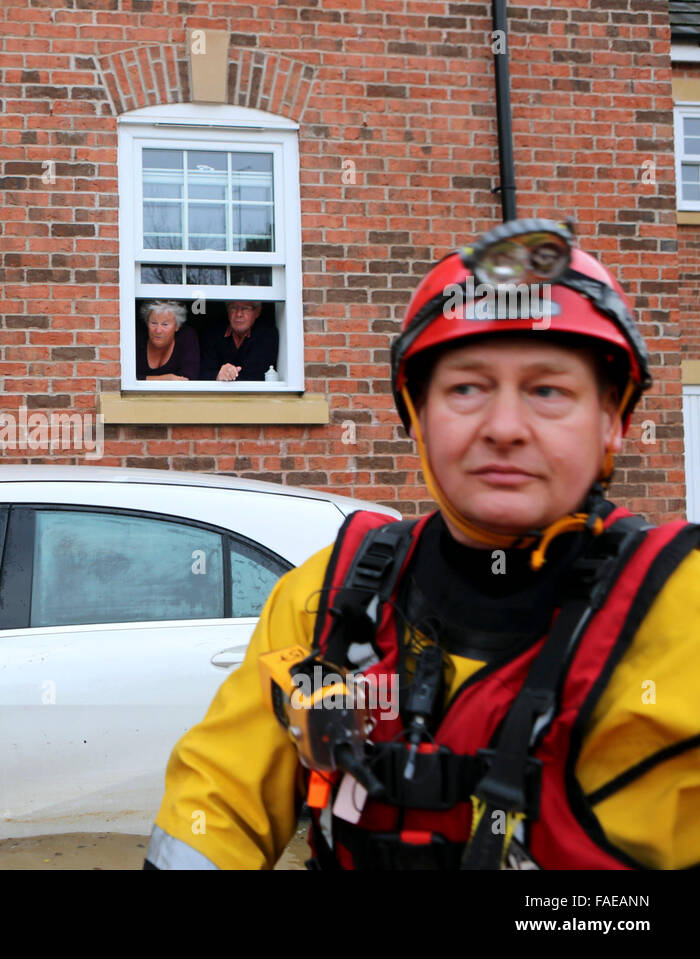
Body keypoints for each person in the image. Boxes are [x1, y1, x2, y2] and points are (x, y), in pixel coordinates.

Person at [147, 219, 700, 869]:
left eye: (548, 390)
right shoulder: (321, 602)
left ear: (611, 419)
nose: (504, 428)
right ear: (416, 414)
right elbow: (215, 810)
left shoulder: (683, 610)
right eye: (466, 388)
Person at [199, 300, 279, 381]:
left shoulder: (266, 334)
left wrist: (229, 376)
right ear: (227, 310)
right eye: (233, 308)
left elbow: (256, 376)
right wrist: (218, 375)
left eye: (245, 309)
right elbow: (202, 373)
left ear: (257, 312)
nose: (239, 314)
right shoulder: (213, 332)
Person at [138, 300, 199, 380]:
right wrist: (163, 379)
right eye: (153, 323)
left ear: (177, 326)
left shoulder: (186, 337)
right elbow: (124, 377)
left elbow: (188, 378)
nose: (158, 330)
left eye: (165, 324)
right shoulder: (137, 336)